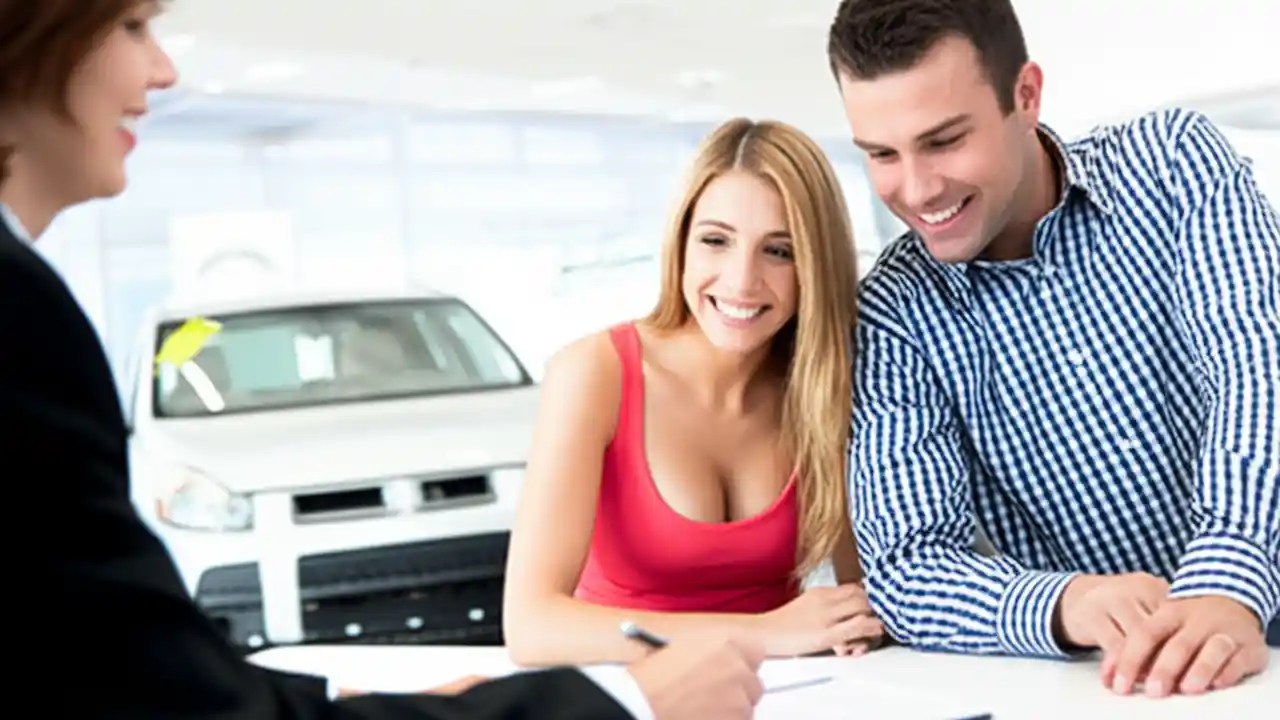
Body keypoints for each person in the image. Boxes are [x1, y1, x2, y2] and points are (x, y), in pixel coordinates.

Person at [0, 1, 767, 717]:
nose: (163, 71)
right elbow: (162, 694)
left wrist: (362, 697)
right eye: (134, 26)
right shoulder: (20, 313)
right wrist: (625, 704)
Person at [827, 0, 1279, 700]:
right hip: (1125, 680)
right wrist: (1065, 604)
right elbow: (908, 564)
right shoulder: (894, 311)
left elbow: (1256, 370)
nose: (915, 191)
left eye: (944, 140)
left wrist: (1224, 581)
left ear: (1026, 95)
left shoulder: (1172, 166)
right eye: (882, 154)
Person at [502, 117, 884, 667]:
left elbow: (871, 589)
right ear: (680, 242)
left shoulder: (825, 384)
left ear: (814, 265)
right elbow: (534, 626)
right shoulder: (595, 374)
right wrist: (761, 634)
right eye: (716, 241)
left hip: (781, 698)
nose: (741, 281)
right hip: (629, 697)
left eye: (779, 251)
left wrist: (853, 627)